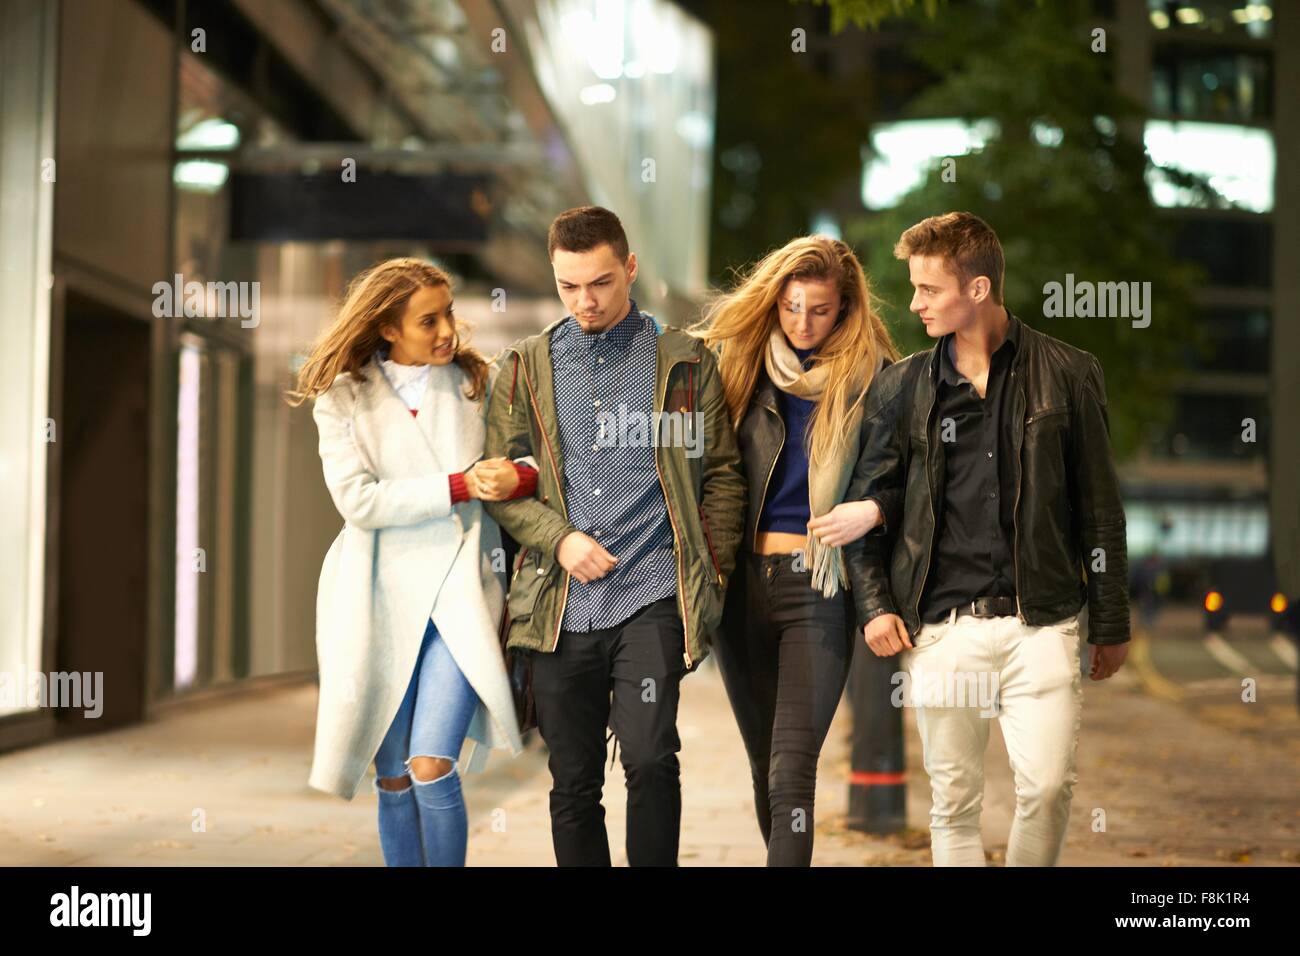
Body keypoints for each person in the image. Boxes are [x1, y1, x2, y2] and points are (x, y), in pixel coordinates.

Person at [845, 212, 1131, 866]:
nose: (914, 303)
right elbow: (870, 504)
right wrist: (875, 604)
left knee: (1050, 786)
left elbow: (1100, 508)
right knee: (954, 802)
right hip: (944, 627)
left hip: (1044, 620)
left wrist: (1110, 618)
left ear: (977, 289)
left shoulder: (1069, 373)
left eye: (928, 289)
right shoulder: (904, 386)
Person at [483, 205, 745, 866]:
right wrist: (560, 538)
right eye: (568, 285)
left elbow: (722, 476)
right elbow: (502, 483)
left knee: (652, 756)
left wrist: (708, 582)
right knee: (573, 781)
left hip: (651, 592)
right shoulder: (524, 368)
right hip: (560, 603)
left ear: (629, 268)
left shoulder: (684, 365)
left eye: (599, 282)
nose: (584, 300)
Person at [289, 257, 536, 866]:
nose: (447, 330)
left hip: (461, 597)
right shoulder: (342, 399)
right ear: (388, 327)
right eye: (428, 320)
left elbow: (538, 462)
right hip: (376, 597)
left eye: (448, 313)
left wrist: (516, 474)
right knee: (393, 775)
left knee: (431, 765)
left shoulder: (482, 381)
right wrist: (458, 486)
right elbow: (359, 502)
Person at [696, 235, 899, 865]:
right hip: (740, 588)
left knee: (792, 768)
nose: (803, 322)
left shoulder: (878, 381)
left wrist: (874, 510)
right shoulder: (736, 368)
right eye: (791, 307)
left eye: (819, 309)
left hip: (819, 583)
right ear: (773, 302)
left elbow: (906, 481)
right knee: (765, 766)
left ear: (844, 308)